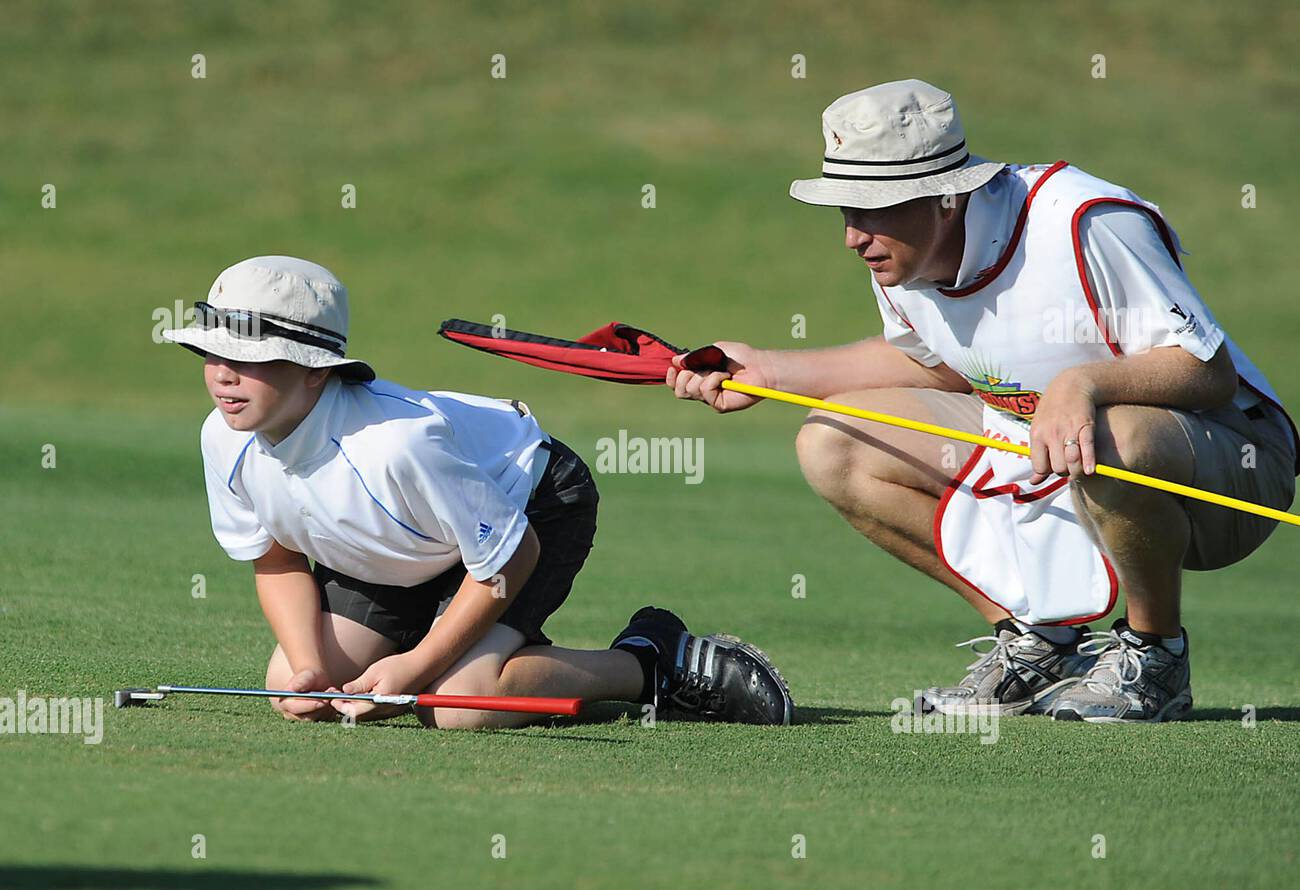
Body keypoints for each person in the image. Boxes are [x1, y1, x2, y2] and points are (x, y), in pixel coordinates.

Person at [667, 80, 1296, 723]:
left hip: (1230, 467)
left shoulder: (1084, 220)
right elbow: (936, 366)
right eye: (846, 212)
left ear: (947, 195)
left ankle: (1155, 657)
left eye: (876, 210)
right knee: (833, 443)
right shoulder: (906, 260)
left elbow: (1207, 370)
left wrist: (1081, 385)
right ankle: (1038, 647)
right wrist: (768, 369)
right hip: (1048, 456)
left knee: (1115, 435)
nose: (854, 237)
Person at [161, 255, 793, 728]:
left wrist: (415, 668)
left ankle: (653, 661)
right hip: (403, 550)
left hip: (531, 503)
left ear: (316, 371)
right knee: (287, 685)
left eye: (251, 358)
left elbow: (508, 560)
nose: (222, 375)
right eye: (211, 354)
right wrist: (308, 667)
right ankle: (443, 648)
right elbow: (274, 561)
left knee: (458, 705)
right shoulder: (223, 437)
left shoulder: (396, 443)